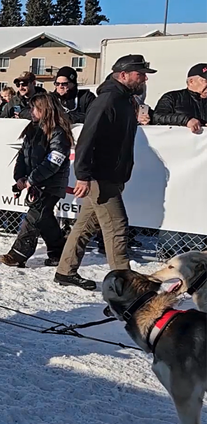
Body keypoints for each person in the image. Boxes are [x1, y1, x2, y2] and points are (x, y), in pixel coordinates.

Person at [54, 55, 156, 290]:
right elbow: (87, 139)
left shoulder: (125, 100)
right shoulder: (107, 100)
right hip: (102, 176)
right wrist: (83, 174)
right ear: (123, 75)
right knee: (117, 227)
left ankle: (65, 271)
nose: (145, 77)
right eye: (140, 73)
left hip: (112, 174)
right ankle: (125, 285)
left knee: (84, 226)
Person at [0, 94, 73, 268]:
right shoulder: (32, 130)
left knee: (34, 216)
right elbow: (22, 157)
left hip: (51, 184)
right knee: (44, 218)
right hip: (36, 182)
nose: (31, 111)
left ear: (45, 110)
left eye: (35, 108)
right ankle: (59, 252)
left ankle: (18, 254)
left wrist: (31, 179)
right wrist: (20, 177)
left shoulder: (58, 133)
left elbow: (53, 162)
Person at [152, 63, 207, 133]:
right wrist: (186, 120)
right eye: (205, 81)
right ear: (191, 82)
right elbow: (157, 117)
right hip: (178, 142)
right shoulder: (172, 98)